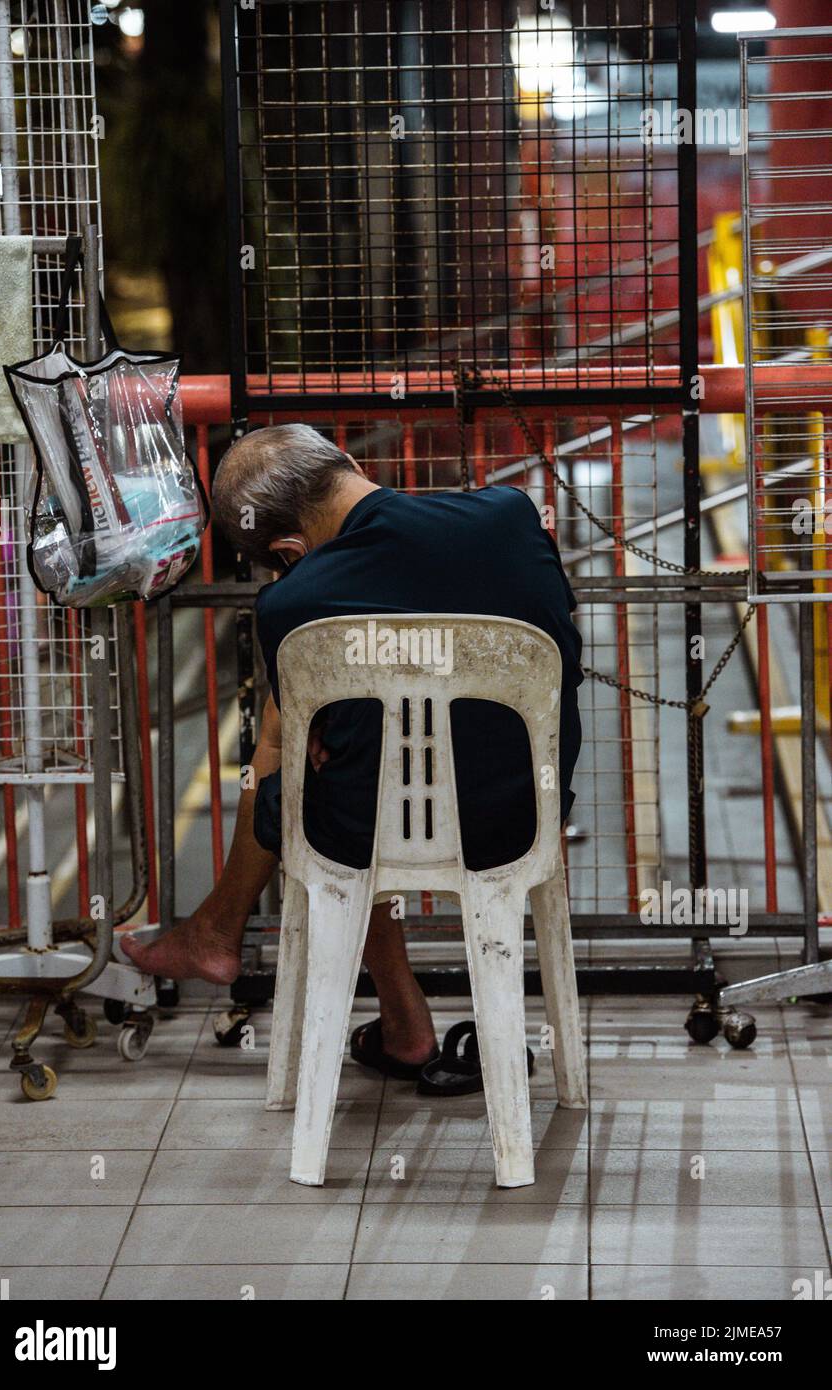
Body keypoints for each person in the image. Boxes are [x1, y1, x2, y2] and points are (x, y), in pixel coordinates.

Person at [122, 423, 582, 1077]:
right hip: (527, 818)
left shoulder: (294, 602)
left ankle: (393, 1017)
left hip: (379, 837)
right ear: (345, 464)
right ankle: (219, 933)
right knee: (347, 773)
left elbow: (309, 749)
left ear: (287, 549)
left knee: (311, 779)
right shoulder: (507, 513)